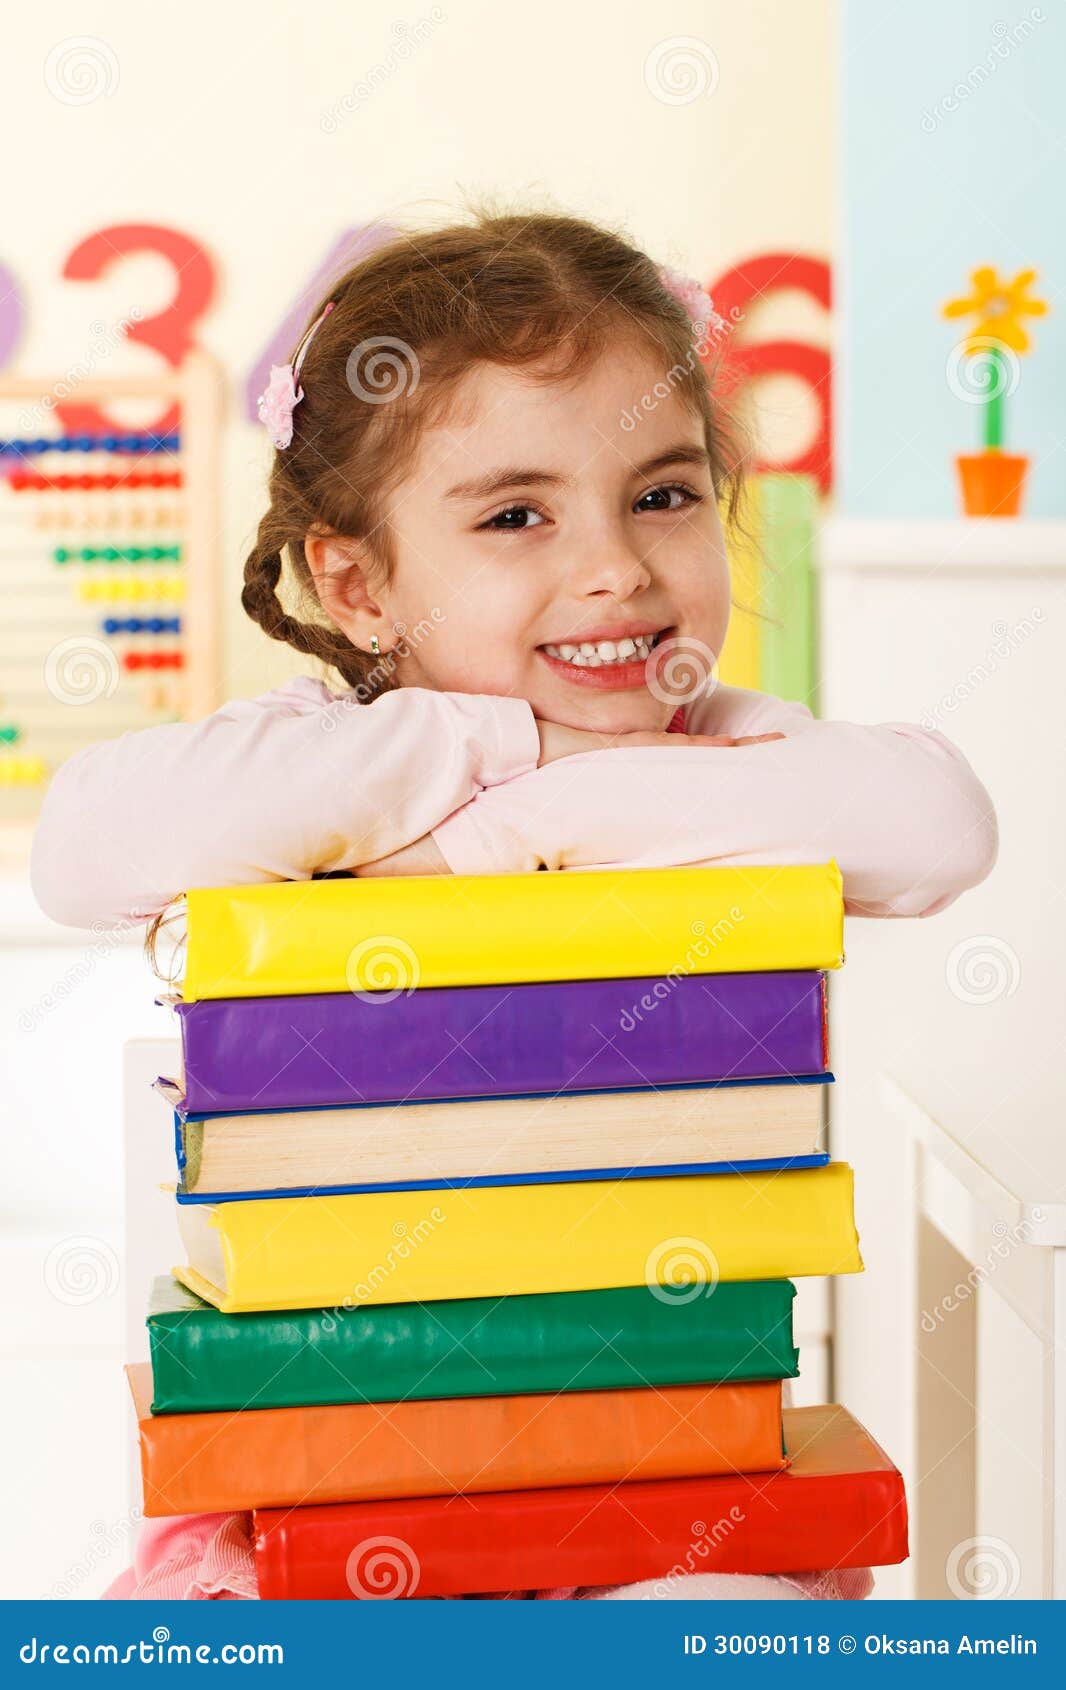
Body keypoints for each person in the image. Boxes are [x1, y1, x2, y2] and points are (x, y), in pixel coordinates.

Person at [32, 206, 997, 1601]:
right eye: (515, 516)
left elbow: (938, 824)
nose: (616, 568)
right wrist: (505, 743)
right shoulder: (328, 753)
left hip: (658, 1473)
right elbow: (80, 850)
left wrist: (508, 831)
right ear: (358, 584)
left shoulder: (725, 743)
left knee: (719, 1622)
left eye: (663, 496)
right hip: (333, 1472)